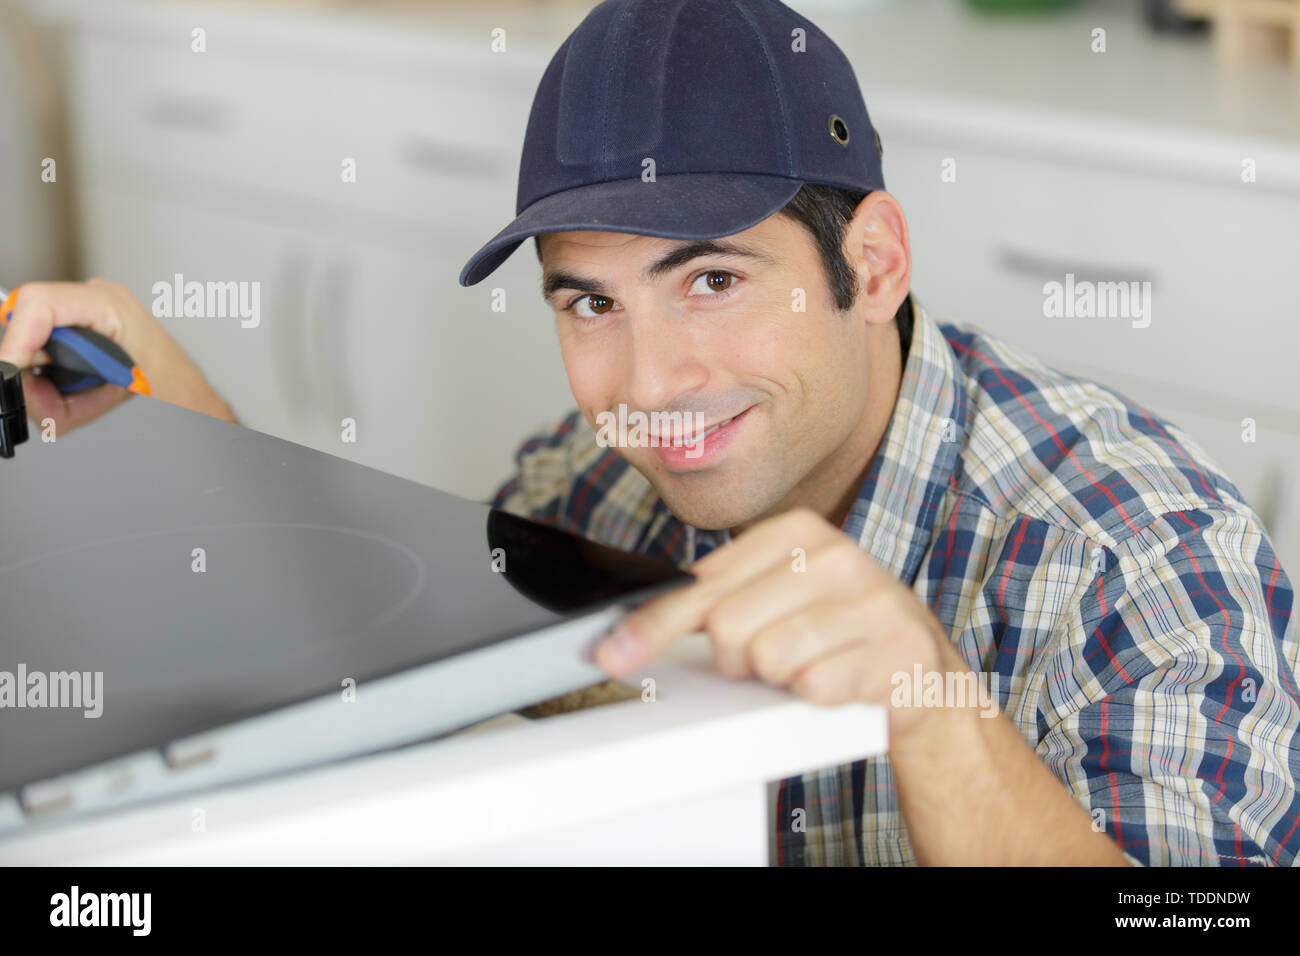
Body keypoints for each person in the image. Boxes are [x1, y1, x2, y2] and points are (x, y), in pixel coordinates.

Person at [2, 0, 1295, 866]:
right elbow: (399, 710)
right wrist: (171, 424)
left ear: (879, 261)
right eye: (589, 302)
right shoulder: (591, 492)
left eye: (715, 281)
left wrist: (931, 709)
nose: (651, 382)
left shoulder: (1145, 563)